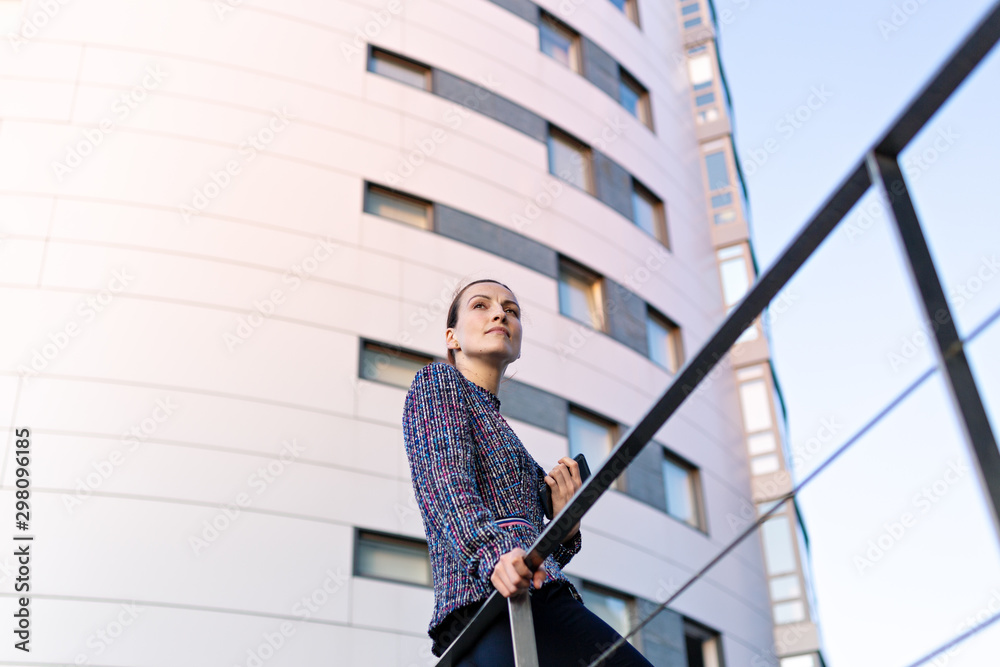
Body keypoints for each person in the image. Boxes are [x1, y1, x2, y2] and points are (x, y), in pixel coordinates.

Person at [402, 278, 654, 666]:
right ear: (452, 337)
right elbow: (444, 485)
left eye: (512, 310)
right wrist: (493, 554)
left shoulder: (506, 435)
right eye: (481, 306)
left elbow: (529, 547)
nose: (500, 313)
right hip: (491, 603)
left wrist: (565, 527)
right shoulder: (438, 381)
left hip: (517, 598)